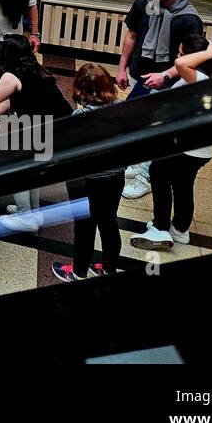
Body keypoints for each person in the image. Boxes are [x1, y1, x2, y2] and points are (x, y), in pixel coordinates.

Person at [131, 36, 212, 251]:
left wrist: (209, 52)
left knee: (159, 174)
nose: (178, 56)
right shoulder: (205, 77)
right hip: (199, 149)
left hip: (186, 148)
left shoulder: (200, 78)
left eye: (181, 52)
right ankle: (180, 230)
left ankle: (160, 228)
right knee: (183, 186)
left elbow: (180, 64)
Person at [116, 0, 202, 199]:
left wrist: (164, 76)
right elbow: (132, 35)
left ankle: (147, 175)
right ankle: (140, 161)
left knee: (157, 128)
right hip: (140, 73)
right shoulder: (144, 2)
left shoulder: (189, 19)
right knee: (139, 121)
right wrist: (122, 67)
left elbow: (191, 58)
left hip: (167, 81)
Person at [0, 34, 71, 233]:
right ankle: (33, 211)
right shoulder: (35, 70)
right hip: (60, 127)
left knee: (15, 167)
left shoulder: (10, 76)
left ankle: (26, 216)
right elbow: (8, 103)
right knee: (32, 169)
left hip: (42, 130)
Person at [52, 63, 125, 282]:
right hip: (115, 176)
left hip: (87, 180)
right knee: (109, 222)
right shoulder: (121, 108)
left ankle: (78, 271)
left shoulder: (80, 116)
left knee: (85, 225)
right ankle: (108, 267)